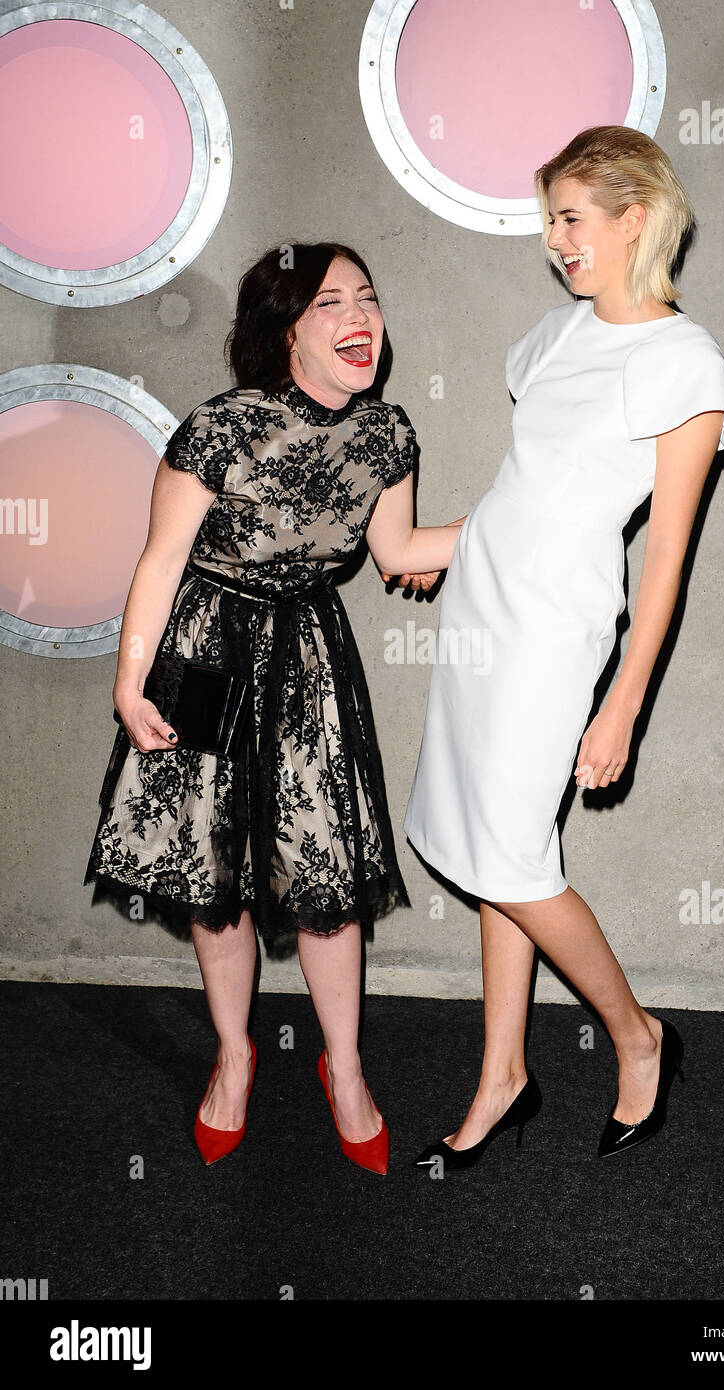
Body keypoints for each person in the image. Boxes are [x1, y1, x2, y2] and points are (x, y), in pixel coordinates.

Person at [83, 242, 462, 1171]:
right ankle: (234, 1056)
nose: (358, 318)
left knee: (325, 882)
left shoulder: (386, 436)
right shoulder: (221, 426)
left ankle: (346, 1069)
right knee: (214, 877)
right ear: (286, 329)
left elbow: (404, 551)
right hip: (205, 653)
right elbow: (160, 561)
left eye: (367, 299)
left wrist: (534, 516)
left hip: (309, 663)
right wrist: (130, 682)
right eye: (330, 303)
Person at [402, 126, 724, 1168]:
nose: (554, 241)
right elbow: (525, 497)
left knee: (510, 853)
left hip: (554, 630)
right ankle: (505, 1072)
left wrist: (624, 702)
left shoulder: (687, 360)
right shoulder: (552, 338)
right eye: (549, 220)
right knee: (497, 851)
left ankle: (638, 1038)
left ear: (636, 218)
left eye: (571, 218)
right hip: (481, 611)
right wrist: (440, 546)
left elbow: (667, 557)